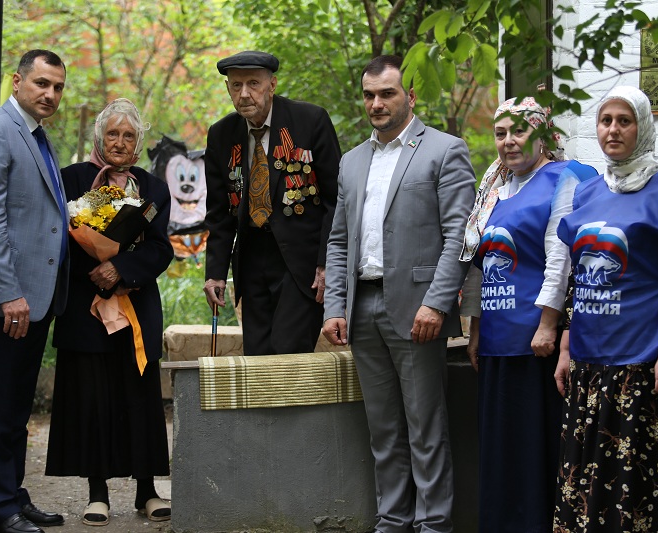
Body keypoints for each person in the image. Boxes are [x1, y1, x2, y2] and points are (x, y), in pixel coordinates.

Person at [323, 55, 476, 533]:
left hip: (417, 310)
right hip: (362, 308)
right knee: (383, 429)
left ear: (409, 96)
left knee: (426, 429)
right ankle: (391, 521)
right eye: (369, 95)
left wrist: (436, 302)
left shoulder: (444, 151)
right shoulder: (352, 161)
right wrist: (334, 306)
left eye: (387, 93)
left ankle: (433, 525)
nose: (377, 103)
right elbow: (338, 241)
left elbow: (460, 237)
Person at [553, 86, 658, 531]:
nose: (613, 130)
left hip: (645, 363)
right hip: (589, 363)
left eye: (625, 121)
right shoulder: (587, 193)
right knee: (587, 479)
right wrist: (565, 345)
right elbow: (578, 277)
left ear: (644, 127)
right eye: (605, 121)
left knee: (640, 484)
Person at [459, 97, 597, 532]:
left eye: (519, 131)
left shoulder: (563, 178)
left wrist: (548, 324)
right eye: (500, 133)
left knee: (535, 449)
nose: (509, 141)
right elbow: (479, 263)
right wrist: (475, 329)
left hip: (536, 343)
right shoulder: (494, 188)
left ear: (542, 134)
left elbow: (561, 259)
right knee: (501, 450)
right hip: (496, 341)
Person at [45, 99, 173, 526]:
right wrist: (97, 270)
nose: (119, 142)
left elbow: (160, 248)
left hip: (135, 306)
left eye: (128, 135)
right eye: (113, 133)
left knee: (140, 398)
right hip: (86, 308)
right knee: (92, 399)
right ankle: (97, 494)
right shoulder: (73, 179)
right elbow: (59, 238)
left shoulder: (153, 188)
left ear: (138, 142)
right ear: (99, 136)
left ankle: (147, 491)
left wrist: (120, 268)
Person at [0, 49, 69, 533]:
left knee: (16, 406)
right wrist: (9, 293)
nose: (49, 94)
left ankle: (13, 494)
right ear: (17, 81)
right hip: (8, 301)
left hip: (36, 298)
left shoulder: (36, 134)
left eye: (57, 87)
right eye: (41, 83)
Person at [203, 50, 341, 355]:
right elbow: (219, 213)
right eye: (236, 85)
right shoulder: (221, 135)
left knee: (288, 352)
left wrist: (326, 263)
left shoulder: (310, 121)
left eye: (253, 83)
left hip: (300, 263)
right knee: (257, 355)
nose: (244, 94)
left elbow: (337, 200)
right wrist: (215, 272)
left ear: (272, 85)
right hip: (251, 260)